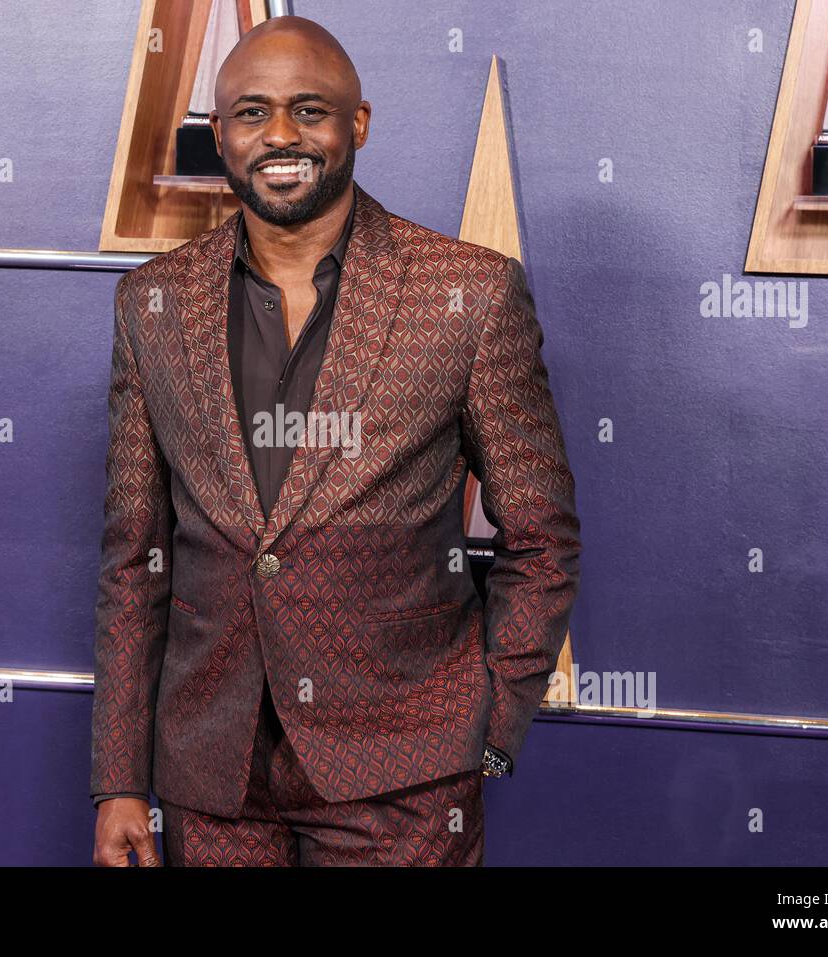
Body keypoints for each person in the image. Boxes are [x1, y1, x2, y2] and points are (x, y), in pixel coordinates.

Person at [91, 15, 580, 866]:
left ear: (357, 124)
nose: (279, 134)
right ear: (220, 133)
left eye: (308, 109)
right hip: (214, 774)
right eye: (251, 112)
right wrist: (120, 778)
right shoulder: (152, 304)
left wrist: (488, 725)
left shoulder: (467, 293)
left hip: (405, 773)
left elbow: (542, 539)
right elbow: (134, 559)